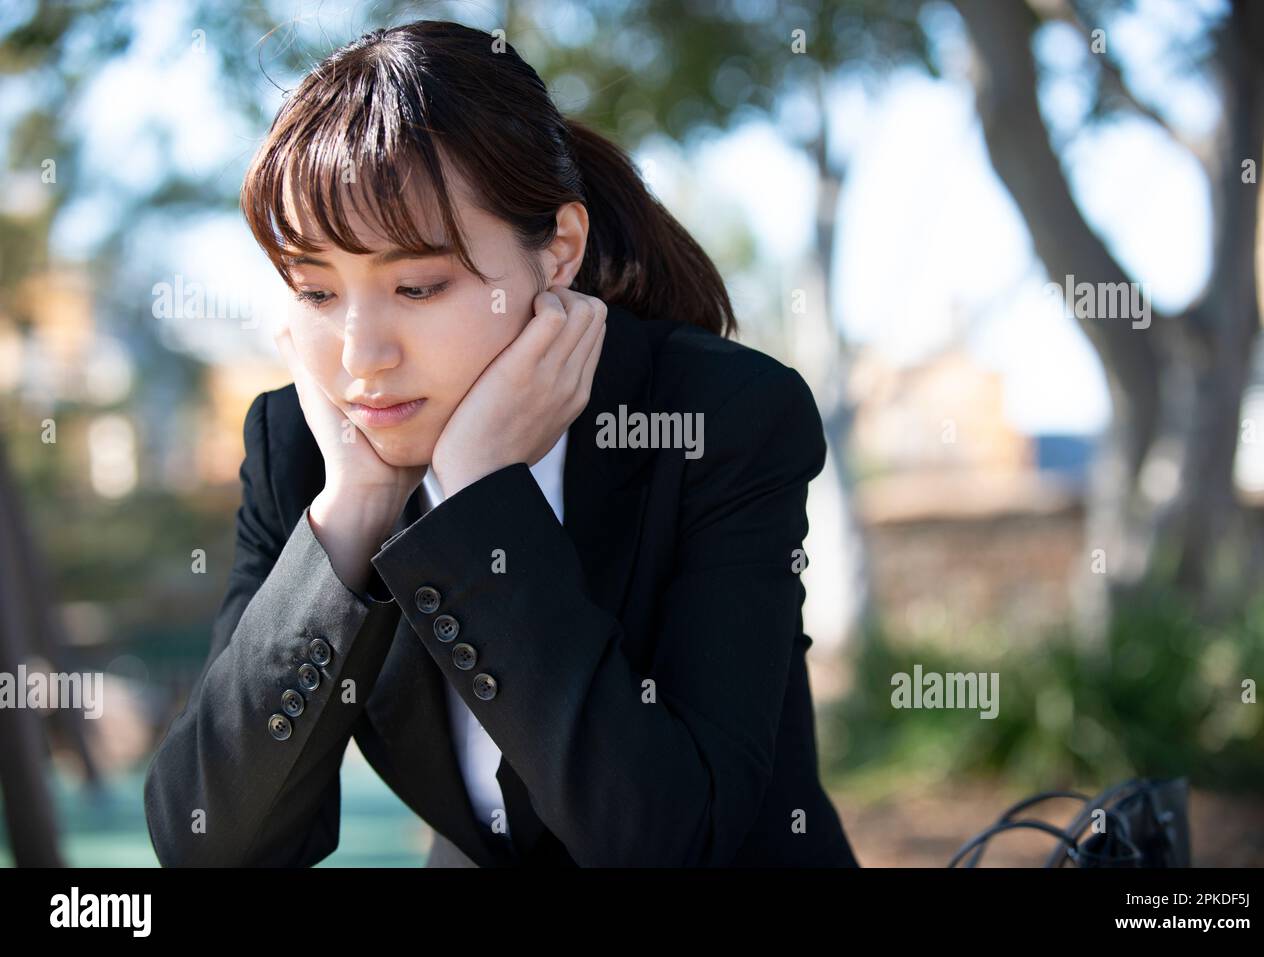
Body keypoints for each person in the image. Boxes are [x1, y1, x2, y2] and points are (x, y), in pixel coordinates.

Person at [143, 18, 859, 868]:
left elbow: (670, 839)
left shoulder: (721, 418)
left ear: (558, 251)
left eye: (416, 285)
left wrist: (481, 499)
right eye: (316, 290)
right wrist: (354, 511)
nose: (361, 355)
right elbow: (208, 842)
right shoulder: (304, 449)